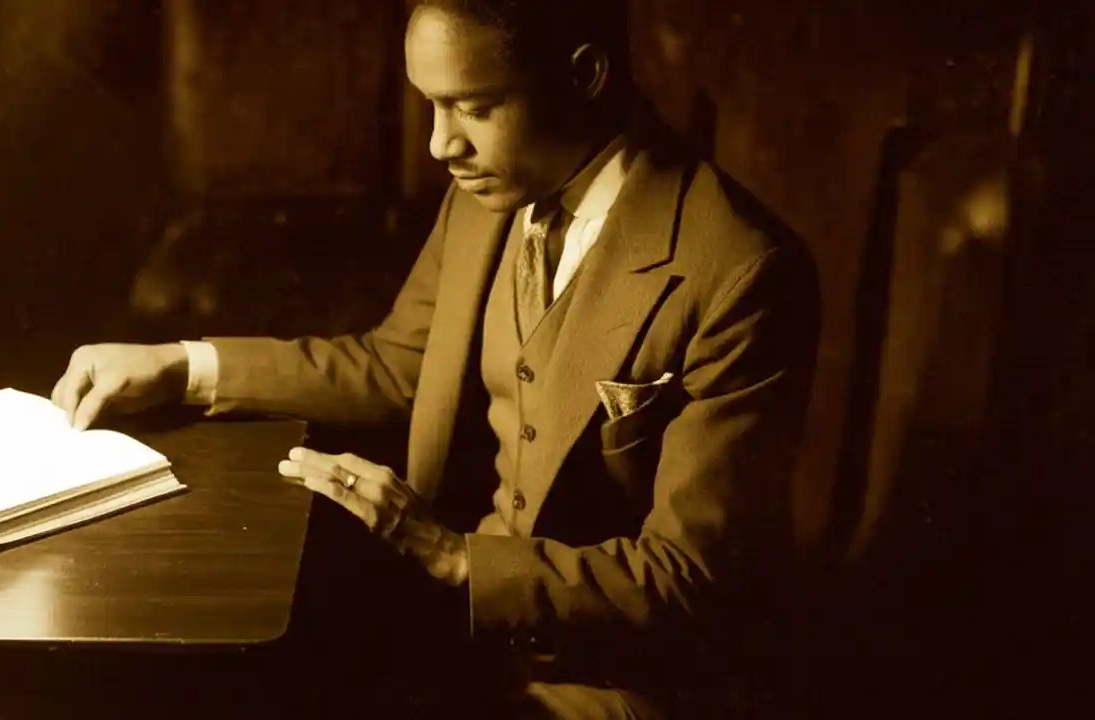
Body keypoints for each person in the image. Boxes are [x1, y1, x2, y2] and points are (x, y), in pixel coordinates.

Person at [51, 0, 821, 716]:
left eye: (475, 107)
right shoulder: (493, 189)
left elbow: (689, 583)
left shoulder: (740, 271)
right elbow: (400, 366)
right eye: (432, 104)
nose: (439, 144)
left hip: (614, 686)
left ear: (585, 75)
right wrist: (183, 366)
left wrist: (453, 558)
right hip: (460, 641)